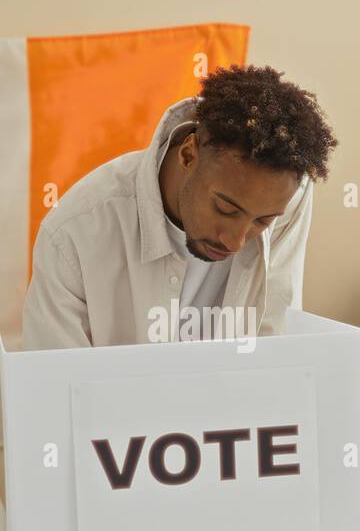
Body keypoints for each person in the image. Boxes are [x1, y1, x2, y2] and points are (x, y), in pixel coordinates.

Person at [22, 65, 337, 349]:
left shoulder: (288, 198)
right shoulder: (74, 233)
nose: (236, 241)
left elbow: (274, 338)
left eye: (263, 222)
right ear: (188, 155)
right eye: (226, 209)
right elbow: (59, 391)